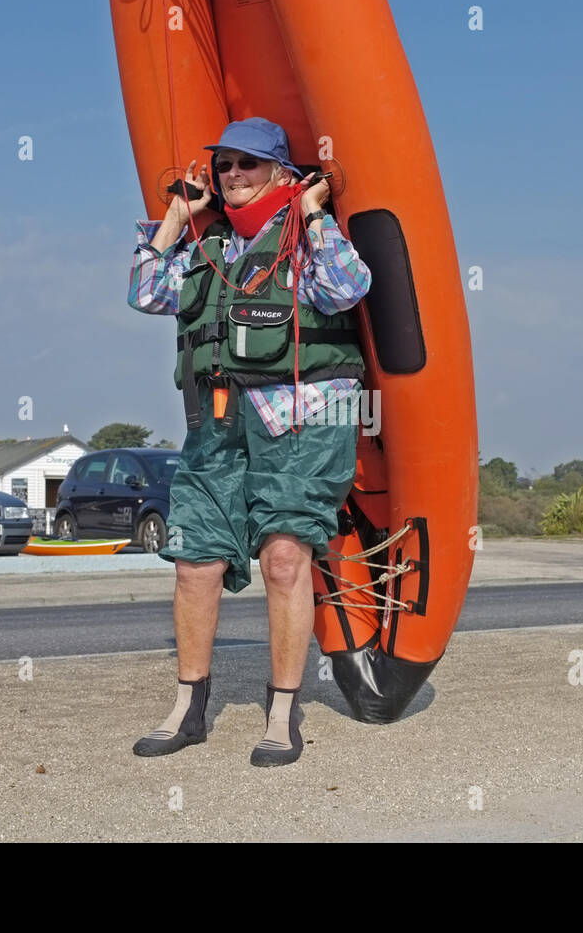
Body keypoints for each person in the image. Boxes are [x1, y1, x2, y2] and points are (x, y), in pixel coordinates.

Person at [125, 117, 371, 766]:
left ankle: (283, 712)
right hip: (218, 425)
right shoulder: (207, 249)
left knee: (284, 558)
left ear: (282, 174)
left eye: (248, 165)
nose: (233, 176)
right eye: (225, 165)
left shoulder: (303, 239)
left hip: (302, 423)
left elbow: (349, 286)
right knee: (194, 562)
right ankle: (189, 706)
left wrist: (315, 214)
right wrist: (179, 214)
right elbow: (145, 292)